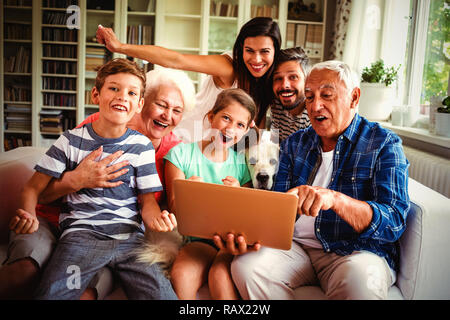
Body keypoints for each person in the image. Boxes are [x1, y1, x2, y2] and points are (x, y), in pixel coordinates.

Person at [0, 66, 195, 300]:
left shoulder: (145, 147)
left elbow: (148, 203)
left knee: (162, 295)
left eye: (132, 93)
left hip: (129, 239)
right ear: (96, 95)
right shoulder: (72, 139)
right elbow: (34, 188)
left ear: (139, 102)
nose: (123, 96)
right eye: (114, 89)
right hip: (81, 237)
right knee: (55, 292)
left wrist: (159, 222)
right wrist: (35, 209)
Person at [230, 60, 410, 300]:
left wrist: (336, 200)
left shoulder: (384, 144)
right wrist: (252, 232)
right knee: (245, 266)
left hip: (354, 252)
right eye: (309, 97)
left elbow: (394, 222)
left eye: (326, 95)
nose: (315, 106)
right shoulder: (295, 143)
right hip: (296, 248)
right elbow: (275, 206)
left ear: (354, 98)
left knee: (359, 280)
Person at [95, 17, 281, 137]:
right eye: (249, 51)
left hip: (217, 152)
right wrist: (120, 47)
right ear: (241, 49)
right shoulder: (229, 67)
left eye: (264, 51)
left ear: (275, 52)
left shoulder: (270, 82)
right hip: (184, 137)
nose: (256, 59)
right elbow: (177, 60)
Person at [162, 88, 259, 300]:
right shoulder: (180, 154)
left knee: (220, 277)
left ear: (245, 132)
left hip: (231, 244)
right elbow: (175, 210)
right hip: (198, 242)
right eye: (226, 118)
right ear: (211, 116)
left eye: (240, 125)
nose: (230, 129)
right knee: (181, 276)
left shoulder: (243, 164)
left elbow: (249, 217)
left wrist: (238, 195)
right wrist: (190, 193)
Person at [269, 47, 311, 142]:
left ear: (307, 80)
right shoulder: (276, 105)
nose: (285, 85)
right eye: (278, 78)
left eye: (293, 77)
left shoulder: (312, 113)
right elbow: (276, 143)